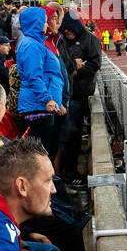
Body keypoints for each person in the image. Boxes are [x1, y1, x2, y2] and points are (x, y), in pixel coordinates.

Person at [56, 14, 101, 184]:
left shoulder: (91, 40)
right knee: (66, 136)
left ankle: (70, 173)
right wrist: (73, 66)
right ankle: (67, 173)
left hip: (79, 94)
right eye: (64, 28)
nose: (66, 31)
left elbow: (95, 64)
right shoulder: (61, 40)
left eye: (69, 28)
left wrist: (77, 70)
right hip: (64, 94)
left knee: (73, 134)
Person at [14, 6, 64, 158]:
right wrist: (47, 99)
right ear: (35, 22)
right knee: (39, 152)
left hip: (40, 104)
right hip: (38, 105)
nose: (46, 25)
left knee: (42, 149)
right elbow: (34, 76)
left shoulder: (34, 43)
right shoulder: (31, 45)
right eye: (43, 21)